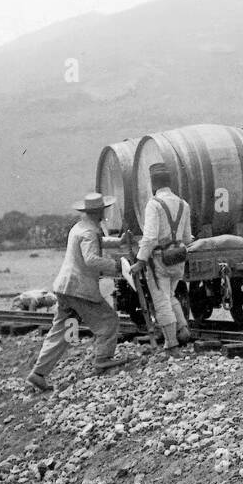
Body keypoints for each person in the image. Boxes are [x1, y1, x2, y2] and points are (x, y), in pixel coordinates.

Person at [27, 192, 127, 392]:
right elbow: (90, 259)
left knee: (62, 331)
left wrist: (119, 241)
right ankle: (103, 359)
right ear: (99, 211)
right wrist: (115, 265)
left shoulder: (80, 227)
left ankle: (38, 373)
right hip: (79, 288)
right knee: (109, 320)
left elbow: (98, 242)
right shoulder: (90, 232)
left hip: (64, 287)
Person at [135, 163, 193, 352]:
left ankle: (171, 344)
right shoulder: (184, 204)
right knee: (170, 296)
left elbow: (150, 237)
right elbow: (186, 237)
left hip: (159, 260)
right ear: (169, 182)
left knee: (161, 301)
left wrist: (140, 260)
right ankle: (183, 329)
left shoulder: (154, 204)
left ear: (154, 185)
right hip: (178, 258)